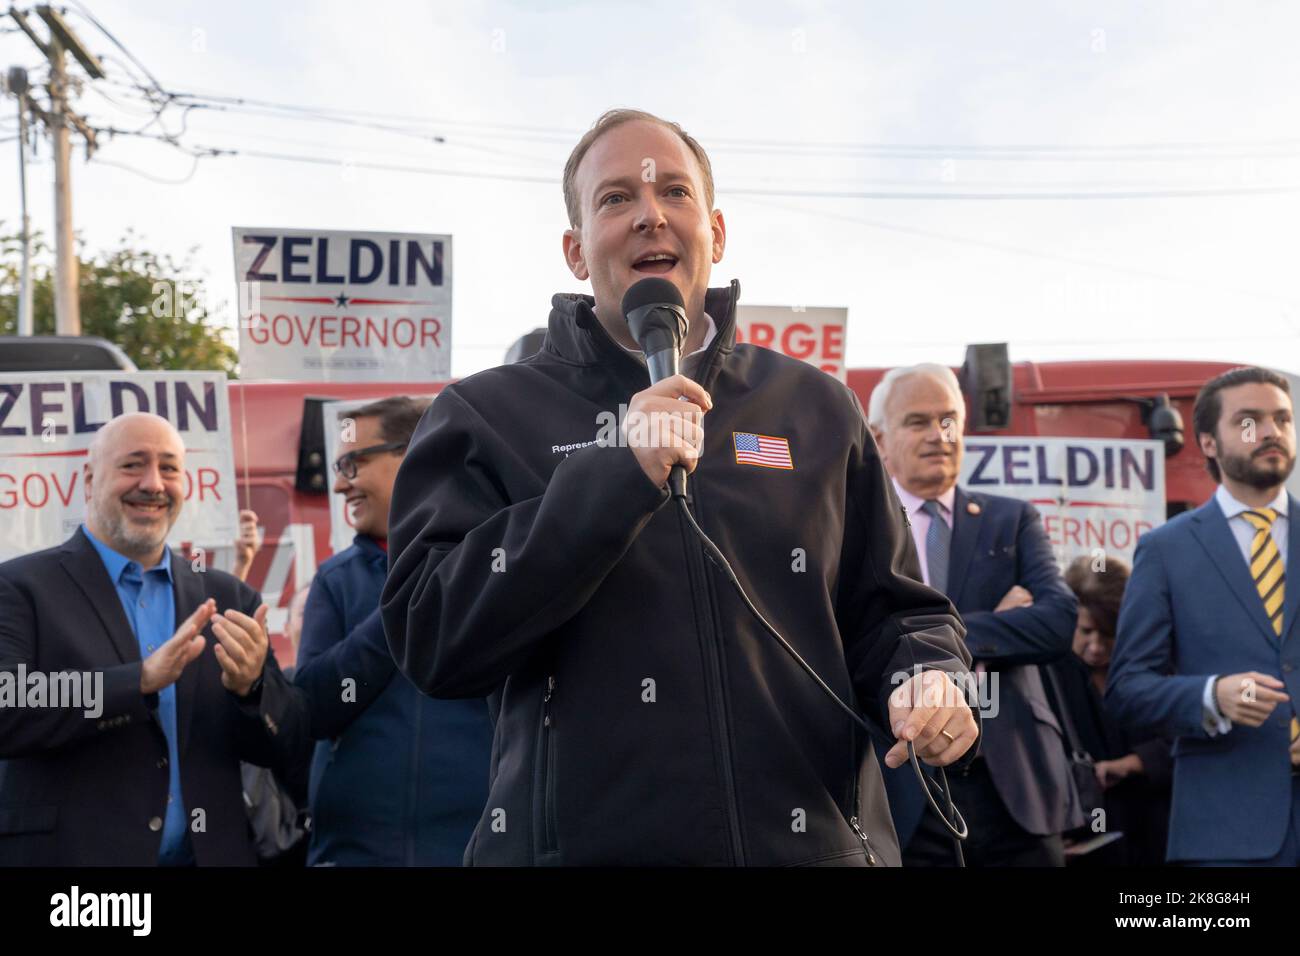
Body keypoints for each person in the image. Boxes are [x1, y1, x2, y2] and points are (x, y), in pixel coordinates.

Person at [381, 108, 978, 867]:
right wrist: (611, 479)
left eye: (675, 195)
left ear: (716, 232)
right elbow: (430, 637)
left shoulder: (815, 406)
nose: (649, 216)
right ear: (574, 251)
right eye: (615, 198)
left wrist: (926, 679)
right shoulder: (484, 415)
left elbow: (897, 612)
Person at [0, 412, 308, 865]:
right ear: (88, 480)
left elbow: (290, 743)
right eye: (132, 465)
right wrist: (136, 681)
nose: (153, 483)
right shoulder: (20, 586)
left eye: (169, 468)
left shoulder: (226, 595)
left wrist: (252, 691)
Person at [868, 363, 1082, 866]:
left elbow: (1056, 623)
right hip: (904, 791)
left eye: (949, 421)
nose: (939, 436)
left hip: (1014, 789)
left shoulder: (1013, 519)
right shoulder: (860, 532)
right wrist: (995, 622)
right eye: (918, 422)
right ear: (879, 439)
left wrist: (932, 635)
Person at [1109, 366, 1300, 865]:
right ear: (1209, 442)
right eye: (1249, 421)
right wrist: (1211, 696)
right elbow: (1127, 691)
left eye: (1283, 418)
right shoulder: (1165, 551)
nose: (1271, 431)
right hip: (1224, 836)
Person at [294, 397, 492, 866]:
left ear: (416, 452)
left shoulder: (497, 564)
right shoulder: (336, 580)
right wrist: (406, 601)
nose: (341, 484)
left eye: (353, 463)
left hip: (476, 852)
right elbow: (311, 711)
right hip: (355, 855)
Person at [1048, 556, 1170, 866]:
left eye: (1108, 634)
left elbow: (1188, 737)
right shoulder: (1049, 673)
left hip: (1154, 833)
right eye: (1086, 631)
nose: (1096, 646)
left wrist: (1132, 764)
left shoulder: (1154, 664)